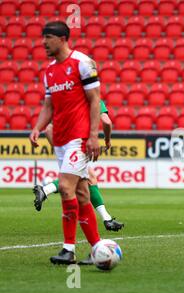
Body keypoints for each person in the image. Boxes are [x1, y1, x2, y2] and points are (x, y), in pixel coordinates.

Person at [29, 21, 102, 265]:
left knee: (66, 188)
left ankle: (68, 249)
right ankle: (98, 250)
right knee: (81, 194)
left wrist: (93, 135)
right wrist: (38, 127)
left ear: (62, 39)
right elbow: (48, 106)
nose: (43, 42)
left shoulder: (82, 63)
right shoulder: (49, 71)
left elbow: (94, 100)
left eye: (48, 37)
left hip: (79, 137)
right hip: (60, 138)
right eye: (43, 37)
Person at [33, 100, 125, 232]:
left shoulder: (69, 102)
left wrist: (61, 151)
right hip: (80, 144)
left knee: (89, 178)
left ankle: (107, 219)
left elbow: (48, 130)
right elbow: (107, 122)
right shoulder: (94, 100)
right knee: (74, 180)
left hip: (65, 146)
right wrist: (107, 140)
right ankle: (46, 190)